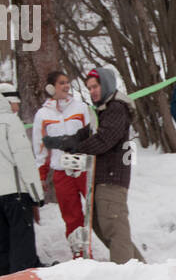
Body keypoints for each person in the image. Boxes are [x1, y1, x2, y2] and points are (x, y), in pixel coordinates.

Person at [48, 67, 145, 264]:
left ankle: (126, 272)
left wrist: (77, 148)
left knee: (114, 228)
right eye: (89, 88)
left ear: (106, 84)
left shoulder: (116, 108)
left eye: (95, 86)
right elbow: (87, 133)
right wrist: (64, 141)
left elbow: (104, 139)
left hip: (112, 178)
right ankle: (140, 268)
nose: (92, 91)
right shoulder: (103, 111)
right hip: (101, 178)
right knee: (100, 225)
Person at [32, 70, 91, 257]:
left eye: (67, 82)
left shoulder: (80, 108)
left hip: (84, 168)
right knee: (72, 217)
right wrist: (41, 175)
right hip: (61, 172)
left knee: (95, 210)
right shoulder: (42, 114)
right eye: (61, 83)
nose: (66, 86)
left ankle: (100, 248)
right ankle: (79, 254)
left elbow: (92, 136)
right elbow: (40, 148)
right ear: (51, 87)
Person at [0, 82, 44, 274]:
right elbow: (24, 160)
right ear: (9, 101)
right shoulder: (11, 122)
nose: (18, 107)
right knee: (22, 242)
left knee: (3, 245)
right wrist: (37, 195)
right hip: (16, 194)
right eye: (16, 102)